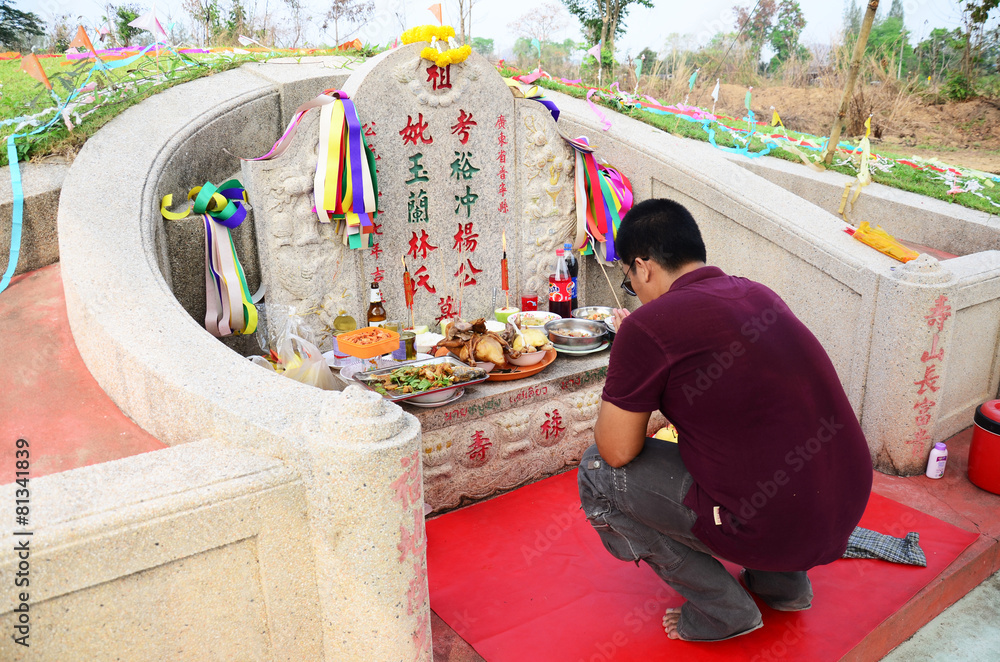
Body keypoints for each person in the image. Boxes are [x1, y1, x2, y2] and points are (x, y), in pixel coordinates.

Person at [579, 198, 873, 642]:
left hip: (770, 521)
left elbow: (617, 450)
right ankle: (785, 587)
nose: (634, 291)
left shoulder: (647, 326)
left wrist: (628, 354)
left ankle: (722, 611)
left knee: (595, 470)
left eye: (628, 281)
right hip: (841, 507)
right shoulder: (758, 294)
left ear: (643, 267)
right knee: (757, 456)